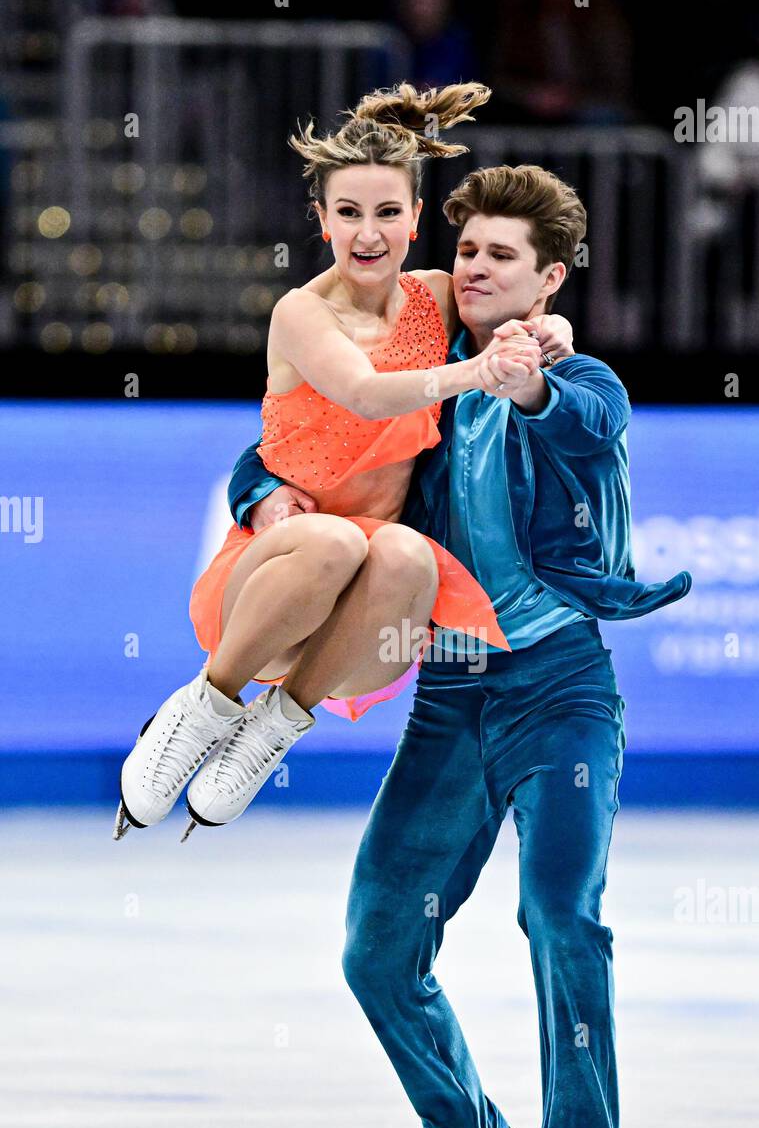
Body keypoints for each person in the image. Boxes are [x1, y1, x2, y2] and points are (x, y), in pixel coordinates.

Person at [230, 163, 692, 1128]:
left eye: (500, 258)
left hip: (559, 694)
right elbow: (292, 438)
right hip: (447, 698)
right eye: (467, 251)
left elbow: (564, 417)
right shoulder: (420, 371)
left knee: (559, 916)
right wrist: (266, 491)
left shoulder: (584, 381)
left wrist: (524, 370)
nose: (474, 269)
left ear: (549, 279)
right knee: (377, 948)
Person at [112, 81, 546, 843]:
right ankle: (203, 707)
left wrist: (557, 327)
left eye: (386, 212)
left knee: (407, 551)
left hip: (366, 632)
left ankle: (274, 728)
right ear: (320, 220)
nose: (368, 233)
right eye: (347, 213)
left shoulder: (439, 296)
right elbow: (364, 393)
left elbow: (520, 308)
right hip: (270, 591)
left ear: (416, 217)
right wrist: (469, 374)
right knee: (335, 539)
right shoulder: (301, 313)